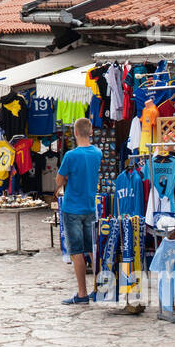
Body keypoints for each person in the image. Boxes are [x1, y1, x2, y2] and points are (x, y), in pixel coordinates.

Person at [57, 117, 102, 305]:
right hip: (90, 206)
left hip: (72, 208)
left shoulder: (70, 156)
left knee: (77, 252)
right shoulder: (97, 153)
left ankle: (82, 293)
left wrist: (65, 180)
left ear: (75, 133)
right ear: (90, 132)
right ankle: (98, 289)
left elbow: (59, 180)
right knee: (92, 249)